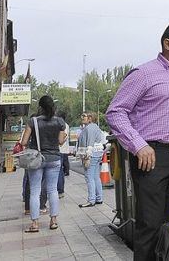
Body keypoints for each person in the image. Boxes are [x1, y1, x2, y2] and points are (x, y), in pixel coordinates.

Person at [107, 21, 169, 261]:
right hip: (152, 156)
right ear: (167, 44)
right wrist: (139, 145)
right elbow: (116, 112)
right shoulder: (144, 74)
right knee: (150, 224)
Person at [19, 95, 66, 232]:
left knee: (35, 190)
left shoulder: (33, 121)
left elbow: (23, 142)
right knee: (52, 190)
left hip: (37, 159)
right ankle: (53, 221)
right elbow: (60, 141)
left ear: (40, 107)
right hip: (54, 159)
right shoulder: (60, 122)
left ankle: (34, 224)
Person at [77, 111, 106, 207]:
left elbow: (90, 142)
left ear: (90, 118)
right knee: (95, 176)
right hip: (98, 153)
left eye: (84, 116)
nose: (82, 117)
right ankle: (99, 198)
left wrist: (87, 156)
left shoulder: (89, 128)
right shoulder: (95, 127)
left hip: (91, 154)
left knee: (89, 177)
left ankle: (91, 200)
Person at [57, 109, 72, 198]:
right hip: (61, 151)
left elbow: (62, 139)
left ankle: (60, 190)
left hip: (60, 150)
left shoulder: (63, 125)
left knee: (59, 171)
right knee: (60, 171)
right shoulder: (65, 125)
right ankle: (60, 190)